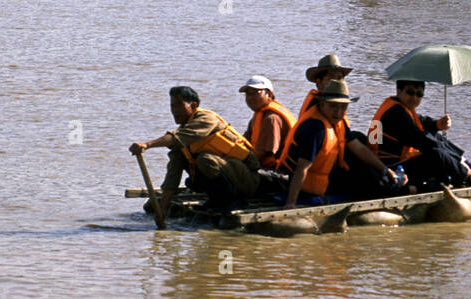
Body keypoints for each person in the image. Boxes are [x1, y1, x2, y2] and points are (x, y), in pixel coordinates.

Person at [129, 86, 259, 227]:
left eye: (179, 105)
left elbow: (176, 138)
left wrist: (147, 145)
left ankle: (234, 200)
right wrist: (161, 210)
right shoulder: (184, 136)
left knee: (205, 160)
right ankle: (216, 200)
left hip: (248, 180)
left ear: (193, 105)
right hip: (229, 176)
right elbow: (173, 174)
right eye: (172, 105)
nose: (175, 110)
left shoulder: (206, 119)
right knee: (193, 180)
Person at [281, 78, 402, 209]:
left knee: (361, 143)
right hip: (304, 184)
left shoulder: (338, 122)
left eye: (343, 107)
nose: (338, 112)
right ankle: (406, 189)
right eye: (333, 106)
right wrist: (291, 203)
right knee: (374, 184)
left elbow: (359, 148)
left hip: (324, 177)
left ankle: (395, 181)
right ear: (322, 104)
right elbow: (302, 168)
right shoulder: (315, 129)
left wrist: (385, 169)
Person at [367, 79, 471, 189]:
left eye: (419, 94)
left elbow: (422, 122)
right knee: (435, 152)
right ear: (399, 90)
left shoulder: (398, 106)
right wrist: (456, 162)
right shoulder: (395, 113)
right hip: (391, 167)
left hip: (398, 160)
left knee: (437, 137)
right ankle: (469, 176)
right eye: (410, 92)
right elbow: (422, 142)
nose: (414, 98)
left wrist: (438, 124)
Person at [240, 75, 294, 170]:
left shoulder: (271, 119)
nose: (250, 98)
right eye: (248, 94)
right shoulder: (258, 116)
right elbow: (244, 141)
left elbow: (262, 153)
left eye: (256, 93)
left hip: (278, 171)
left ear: (269, 94)